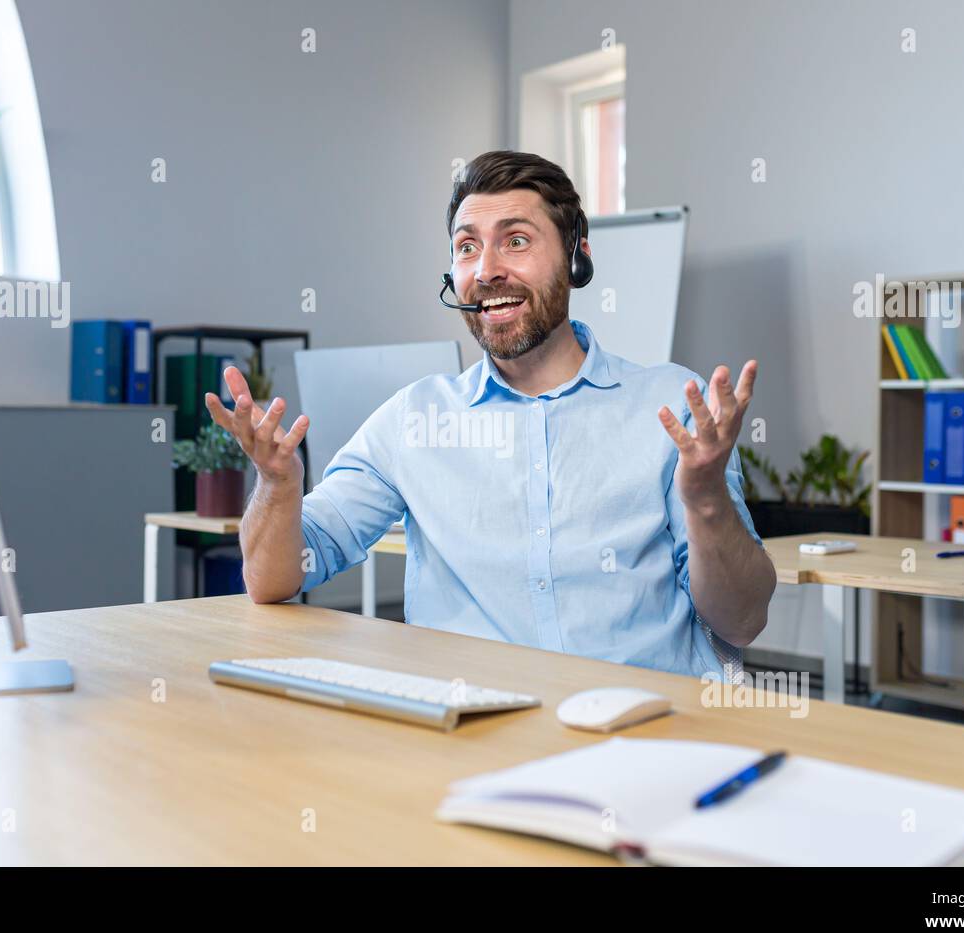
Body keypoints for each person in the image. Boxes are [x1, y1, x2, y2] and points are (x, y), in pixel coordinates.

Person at [206, 150, 775, 678]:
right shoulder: (414, 420)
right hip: (471, 738)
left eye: (517, 241)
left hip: (641, 736)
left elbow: (741, 620)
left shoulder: (673, 407)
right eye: (467, 247)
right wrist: (277, 487)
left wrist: (705, 501)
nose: (486, 270)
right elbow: (272, 579)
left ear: (578, 256)